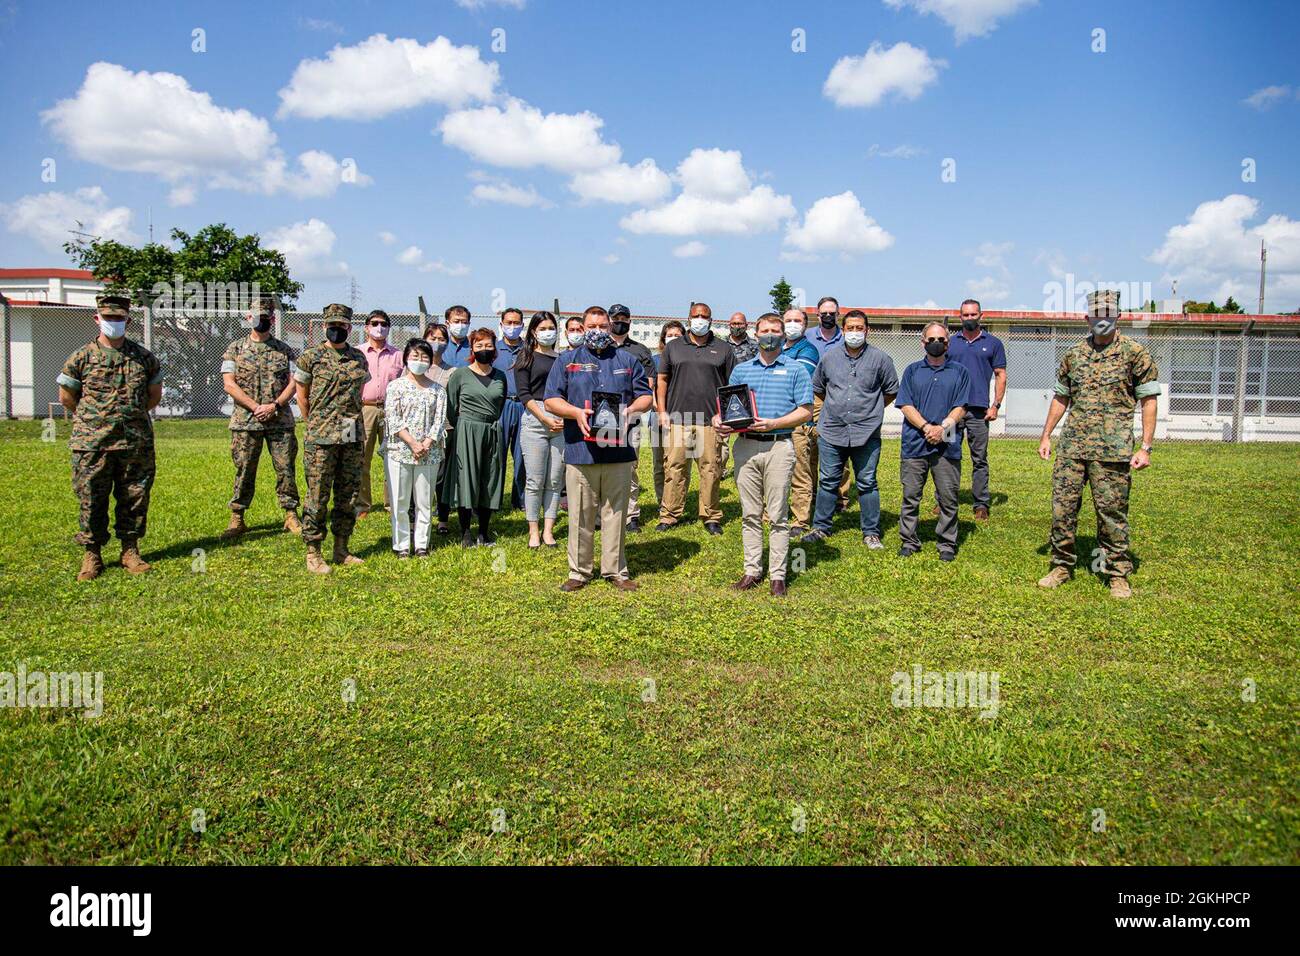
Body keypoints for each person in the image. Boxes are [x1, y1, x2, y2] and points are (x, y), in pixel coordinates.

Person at [1037, 289, 1158, 599]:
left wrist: (1145, 447)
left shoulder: (1135, 354)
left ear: (1117, 315)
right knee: (1063, 510)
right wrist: (1047, 434)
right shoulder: (1073, 355)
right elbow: (1061, 397)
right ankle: (1061, 566)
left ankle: (1117, 573)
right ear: (1086, 317)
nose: (1102, 319)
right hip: (1073, 449)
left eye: (1108, 313)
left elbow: (1148, 400)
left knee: (1111, 514)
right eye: (1096, 314)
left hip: (1113, 451)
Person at [544, 306, 653, 592]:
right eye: (591, 326)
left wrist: (630, 411)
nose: (597, 331)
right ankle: (579, 571)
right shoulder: (566, 361)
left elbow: (646, 398)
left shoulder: (628, 361)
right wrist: (575, 412)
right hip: (581, 450)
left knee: (615, 512)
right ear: (581, 328)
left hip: (618, 450)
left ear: (610, 327)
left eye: (603, 326)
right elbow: (551, 400)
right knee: (581, 512)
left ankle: (616, 570)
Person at [57, 294, 162, 580]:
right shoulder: (82, 356)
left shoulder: (144, 358)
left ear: (128, 320)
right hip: (92, 443)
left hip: (134, 440)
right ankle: (92, 553)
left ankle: (130, 549)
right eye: (108, 318)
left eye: (119, 318)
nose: (114, 322)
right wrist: (95, 419)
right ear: (97, 319)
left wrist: (129, 417)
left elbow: (154, 396)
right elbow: (67, 397)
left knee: (134, 495)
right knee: (91, 496)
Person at [715, 313, 813, 596]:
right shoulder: (741, 371)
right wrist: (718, 422)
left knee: (779, 514)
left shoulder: (796, 370)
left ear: (783, 336)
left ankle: (778, 575)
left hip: (779, 446)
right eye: (764, 330)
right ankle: (751, 571)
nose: (769, 335)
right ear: (755, 335)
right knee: (750, 513)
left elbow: (805, 411)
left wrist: (774, 423)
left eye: (775, 330)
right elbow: (728, 409)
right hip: (745, 446)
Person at [802, 310, 898, 549]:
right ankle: (821, 527)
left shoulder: (881, 359)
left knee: (867, 482)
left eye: (859, 328)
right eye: (850, 328)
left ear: (867, 330)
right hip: (832, 430)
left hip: (866, 433)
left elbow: (891, 391)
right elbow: (819, 389)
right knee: (828, 481)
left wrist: (870, 411)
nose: (855, 333)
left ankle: (871, 532)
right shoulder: (829, 358)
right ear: (842, 330)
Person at [294, 303, 370, 573]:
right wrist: (314, 423)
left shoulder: (358, 358)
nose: (337, 330)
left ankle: (341, 548)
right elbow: (301, 395)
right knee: (317, 494)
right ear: (324, 327)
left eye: (342, 326)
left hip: (351, 433)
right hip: (321, 436)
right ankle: (313, 551)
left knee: (347, 493)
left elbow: (358, 396)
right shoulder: (310, 357)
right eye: (332, 325)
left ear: (350, 327)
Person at [219, 293, 301, 540]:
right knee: (244, 469)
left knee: (285, 468)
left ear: (272, 319)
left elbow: (295, 382)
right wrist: (256, 407)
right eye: (257, 317)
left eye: (265, 317)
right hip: (246, 421)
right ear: (248, 317)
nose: (261, 321)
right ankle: (238, 517)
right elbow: (229, 385)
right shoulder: (235, 349)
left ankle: (290, 515)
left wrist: (275, 405)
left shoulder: (284, 350)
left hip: (279, 421)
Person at [656, 301, 735, 535]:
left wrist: (724, 414)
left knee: (711, 469)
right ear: (689, 318)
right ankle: (669, 514)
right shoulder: (673, 347)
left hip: (711, 419)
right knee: (674, 467)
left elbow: (732, 384)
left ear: (711, 319)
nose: (700, 319)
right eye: (695, 315)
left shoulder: (723, 348)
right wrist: (662, 411)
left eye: (704, 316)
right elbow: (662, 380)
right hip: (677, 417)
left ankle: (711, 515)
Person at [895, 322, 971, 562]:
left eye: (941, 339)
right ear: (923, 343)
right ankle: (909, 540)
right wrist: (927, 427)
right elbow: (905, 405)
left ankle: (947, 543)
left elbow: (961, 406)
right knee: (911, 495)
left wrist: (943, 428)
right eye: (931, 340)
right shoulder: (912, 371)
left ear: (948, 343)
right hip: (915, 442)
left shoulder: (960, 372)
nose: (936, 343)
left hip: (947, 442)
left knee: (948, 496)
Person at [782, 307, 848, 534]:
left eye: (797, 320)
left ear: (805, 324)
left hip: (802, 410)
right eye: (788, 320)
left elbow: (796, 379)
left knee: (802, 465)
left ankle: (801, 518)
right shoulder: (779, 347)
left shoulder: (808, 349)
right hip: (779, 414)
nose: (792, 324)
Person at [384, 339, 448, 558]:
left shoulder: (437, 390)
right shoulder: (395, 386)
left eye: (424, 357)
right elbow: (393, 417)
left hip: (429, 453)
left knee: (424, 500)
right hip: (400, 451)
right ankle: (401, 544)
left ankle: (422, 543)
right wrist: (411, 442)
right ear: (406, 359)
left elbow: (439, 421)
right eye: (415, 356)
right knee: (400, 500)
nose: (419, 361)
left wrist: (427, 443)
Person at [945, 298, 1007, 522]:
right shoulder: (950, 342)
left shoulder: (993, 343)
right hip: (952, 412)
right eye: (965, 314)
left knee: (979, 458)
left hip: (979, 412)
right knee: (948, 456)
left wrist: (996, 405)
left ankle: (981, 504)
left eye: (973, 314)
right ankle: (945, 501)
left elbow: (1000, 375)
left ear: (981, 315)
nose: (969, 318)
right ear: (959, 316)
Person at [446, 328, 508, 547]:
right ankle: (465, 533)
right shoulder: (460, 375)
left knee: (489, 479)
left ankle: (484, 531)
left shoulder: (500, 376)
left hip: (491, 430)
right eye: (479, 345)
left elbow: (500, 405)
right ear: (472, 348)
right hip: (467, 430)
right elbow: (451, 408)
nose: (484, 349)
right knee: (467, 479)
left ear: (494, 349)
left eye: (488, 345)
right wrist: (464, 426)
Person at [516, 311, 566, 549]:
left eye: (552, 327)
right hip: (536, 420)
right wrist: (545, 418)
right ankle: (533, 531)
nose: (548, 331)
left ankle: (548, 530)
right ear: (534, 331)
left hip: (561, 422)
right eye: (543, 327)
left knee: (555, 480)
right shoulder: (525, 357)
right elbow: (524, 394)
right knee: (535, 479)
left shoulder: (563, 359)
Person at [609, 303, 655, 533]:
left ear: (630, 321)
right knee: (601, 464)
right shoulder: (598, 347)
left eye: (624, 318)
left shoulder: (640, 351)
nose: (620, 321)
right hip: (602, 415)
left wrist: (633, 409)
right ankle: (604, 513)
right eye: (615, 317)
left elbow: (648, 386)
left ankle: (630, 515)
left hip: (631, 415)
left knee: (629, 465)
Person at [357, 309, 403, 519]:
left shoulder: (398, 355)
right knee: (361, 457)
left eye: (383, 323)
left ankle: (392, 503)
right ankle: (363, 504)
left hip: (390, 410)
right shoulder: (357, 353)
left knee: (393, 457)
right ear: (367, 327)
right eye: (374, 323)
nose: (379, 327)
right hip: (364, 408)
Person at [493, 307, 528, 512]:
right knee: (497, 455)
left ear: (522, 325)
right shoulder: (494, 350)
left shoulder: (529, 350)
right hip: (501, 405)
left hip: (524, 405)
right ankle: (494, 500)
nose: (512, 327)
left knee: (523, 454)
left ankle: (520, 499)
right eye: (508, 323)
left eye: (516, 323)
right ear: (502, 324)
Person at [423, 321, 456, 536]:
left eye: (441, 339)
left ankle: (443, 517)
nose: (437, 342)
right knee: (421, 476)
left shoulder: (452, 371)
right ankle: (419, 516)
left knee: (441, 477)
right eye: (432, 338)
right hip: (418, 432)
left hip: (444, 430)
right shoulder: (413, 368)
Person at [650, 321, 685, 505]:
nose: (673, 338)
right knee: (659, 461)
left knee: (677, 461)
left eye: (677, 336)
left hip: (680, 416)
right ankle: (661, 499)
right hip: (658, 415)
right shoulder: (656, 360)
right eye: (669, 335)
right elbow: (651, 388)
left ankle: (676, 499)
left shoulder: (686, 359)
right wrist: (658, 407)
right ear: (663, 338)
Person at [807, 295, 845, 360]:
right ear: (818, 316)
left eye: (832, 313)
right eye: (824, 313)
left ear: (837, 315)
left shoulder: (845, 338)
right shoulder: (806, 336)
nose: (828, 316)